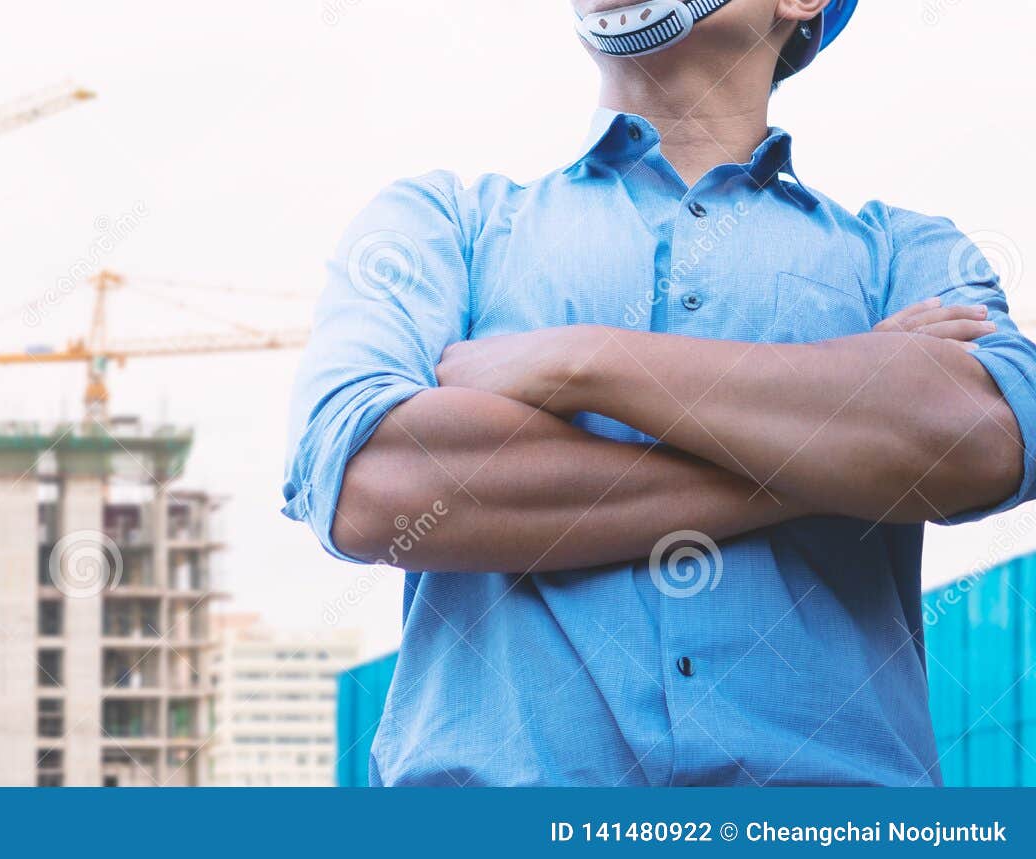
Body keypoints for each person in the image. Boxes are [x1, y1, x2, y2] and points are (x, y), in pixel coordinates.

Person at [283, 0, 1035, 786]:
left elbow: (990, 439)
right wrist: (840, 455)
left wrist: (583, 360)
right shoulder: (440, 223)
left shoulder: (904, 253)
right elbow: (372, 484)